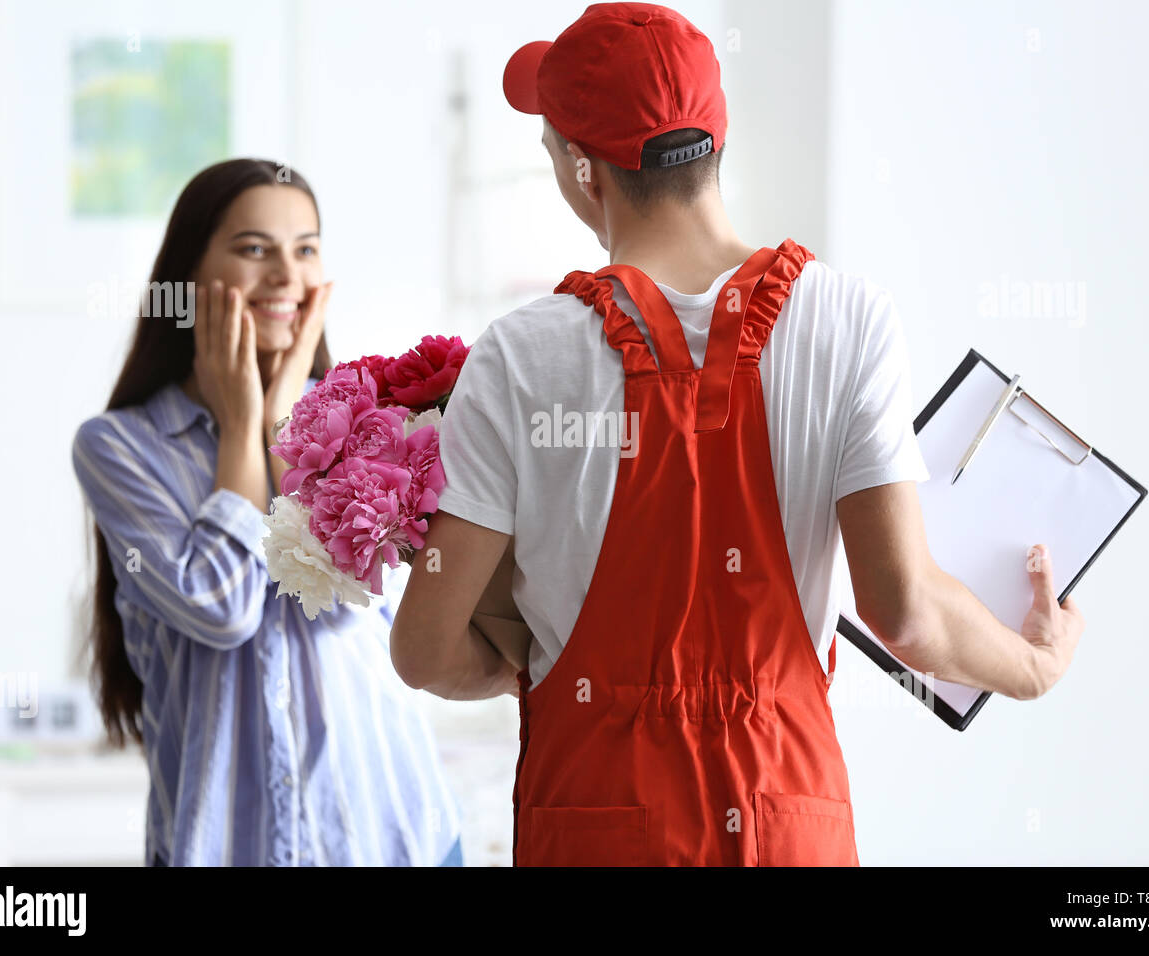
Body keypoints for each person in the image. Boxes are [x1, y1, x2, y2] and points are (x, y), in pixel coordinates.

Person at [390, 2, 1084, 866]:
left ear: (580, 170)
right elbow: (904, 611)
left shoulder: (519, 357)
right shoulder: (848, 319)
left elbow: (423, 650)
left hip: (593, 821)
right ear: (719, 141)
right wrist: (1031, 666)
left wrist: (530, 661)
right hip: (785, 821)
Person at [73, 159, 463, 866]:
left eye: (305, 248)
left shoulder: (372, 423)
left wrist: (288, 425)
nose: (287, 275)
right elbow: (221, 607)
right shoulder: (120, 446)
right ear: (189, 277)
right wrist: (239, 426)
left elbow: (352, 604)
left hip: (394, 840)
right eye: (255, 249)